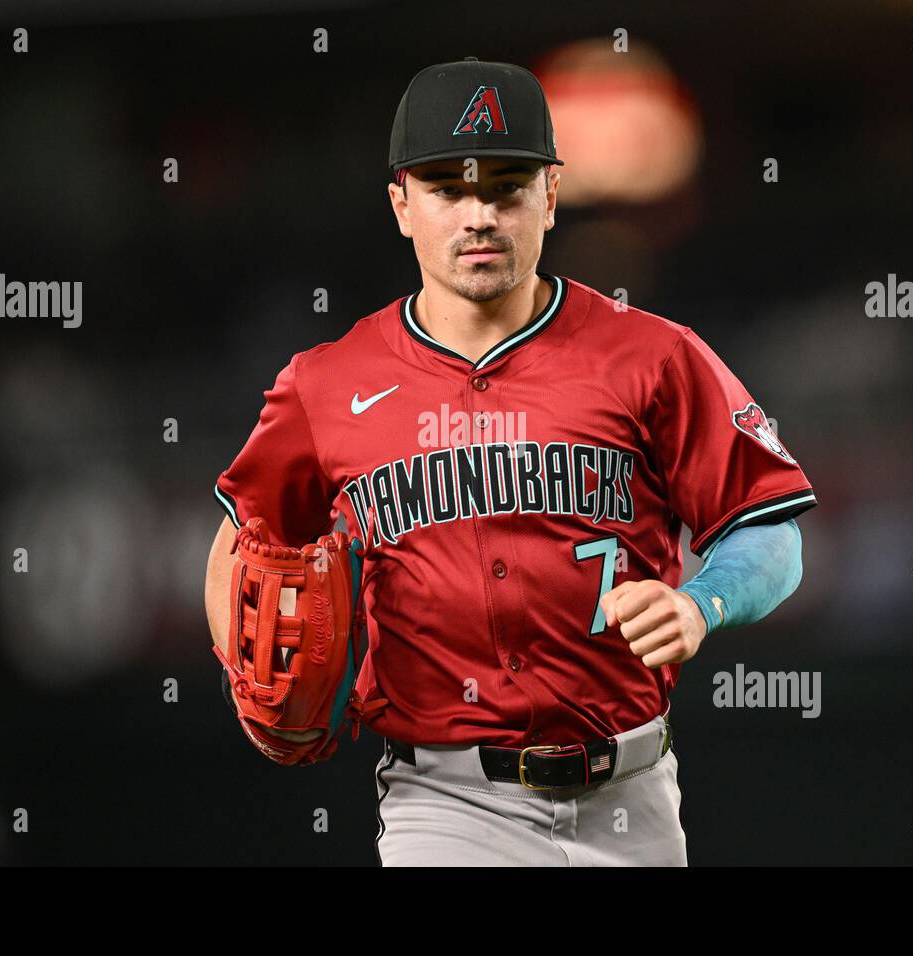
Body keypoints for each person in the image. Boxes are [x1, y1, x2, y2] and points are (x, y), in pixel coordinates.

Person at [204, 58, 816, 866]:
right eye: (447, 190)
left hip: (632, 796)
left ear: (551, 196)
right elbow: (243, 536)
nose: (478, 215)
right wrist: (249, 675)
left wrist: (703, 603)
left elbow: (773, 532)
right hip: (445, 804)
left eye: (506, 186)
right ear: (401, 206)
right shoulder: (327, 384)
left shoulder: (653, 357)